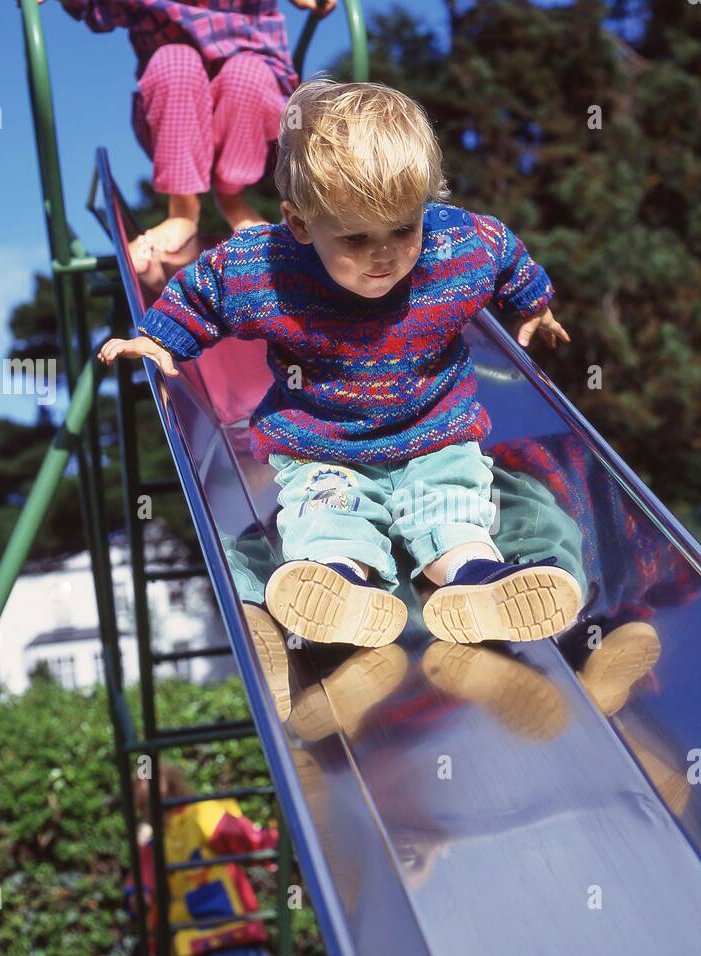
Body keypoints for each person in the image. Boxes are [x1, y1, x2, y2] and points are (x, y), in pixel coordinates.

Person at [99, 78, 583, 648]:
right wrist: (162, 338)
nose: (383, 253)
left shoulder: (453, 245)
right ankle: (340, 584)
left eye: (403, 229)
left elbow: (503, 251)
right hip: (325, 443)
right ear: (301, 224)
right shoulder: (269, 268)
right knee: (329, 519)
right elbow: (208, 287)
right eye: (354, 239)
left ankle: (477, 580)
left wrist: (535, 305)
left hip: (436, 432)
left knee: (455, 514)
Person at [51, 0, 337, 292]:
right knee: (175, 64)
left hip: (254, 106)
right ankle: (182, 208)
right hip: (176, 115)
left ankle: (231, 198)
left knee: (247, 76)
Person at [125, 761, 277, 956]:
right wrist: (138, 897)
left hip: (217, 921)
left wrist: (275, 841)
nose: (148, 813)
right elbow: (142, 887)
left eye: (149, 804)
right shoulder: (155, 844)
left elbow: (242, 837)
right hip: (187, 934)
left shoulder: (201, 814)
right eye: (143, 808)